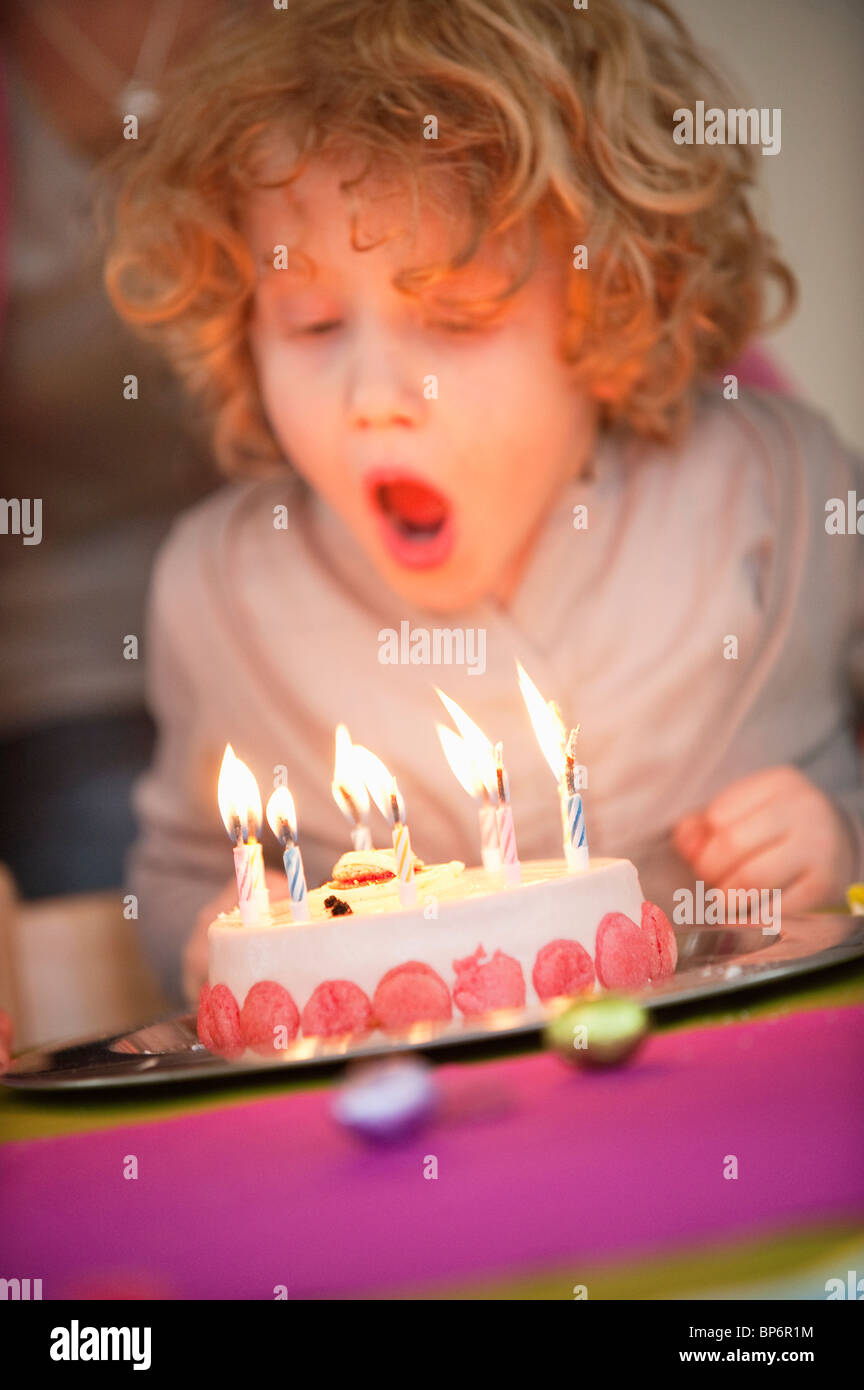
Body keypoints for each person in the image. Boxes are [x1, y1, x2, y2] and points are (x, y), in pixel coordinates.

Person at [101, 0, 863, 1009]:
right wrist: (209, 944)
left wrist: (846, 845)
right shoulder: (227, 593)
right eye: (313, 322)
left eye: (455, 318)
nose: (373, 398)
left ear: (615, 302)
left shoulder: (779, 489)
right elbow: (180, 874)